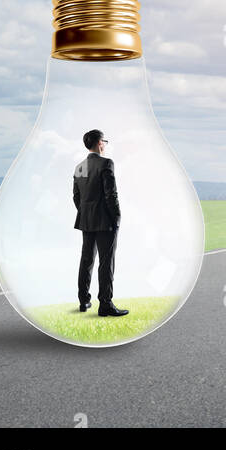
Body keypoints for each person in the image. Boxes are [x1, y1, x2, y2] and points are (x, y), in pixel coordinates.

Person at [73, 129, 128, 316]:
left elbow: (76, 196)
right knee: (106, 261)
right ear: (99, 143)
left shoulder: (79, 167)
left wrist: (86, 212)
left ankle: (83, 301)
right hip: (105, 221)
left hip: (86, 220)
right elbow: (110, 193)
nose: (104, 144)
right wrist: (117, 216)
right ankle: (105, 304)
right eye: (104, 141)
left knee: (86, 260)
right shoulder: (106, 163)